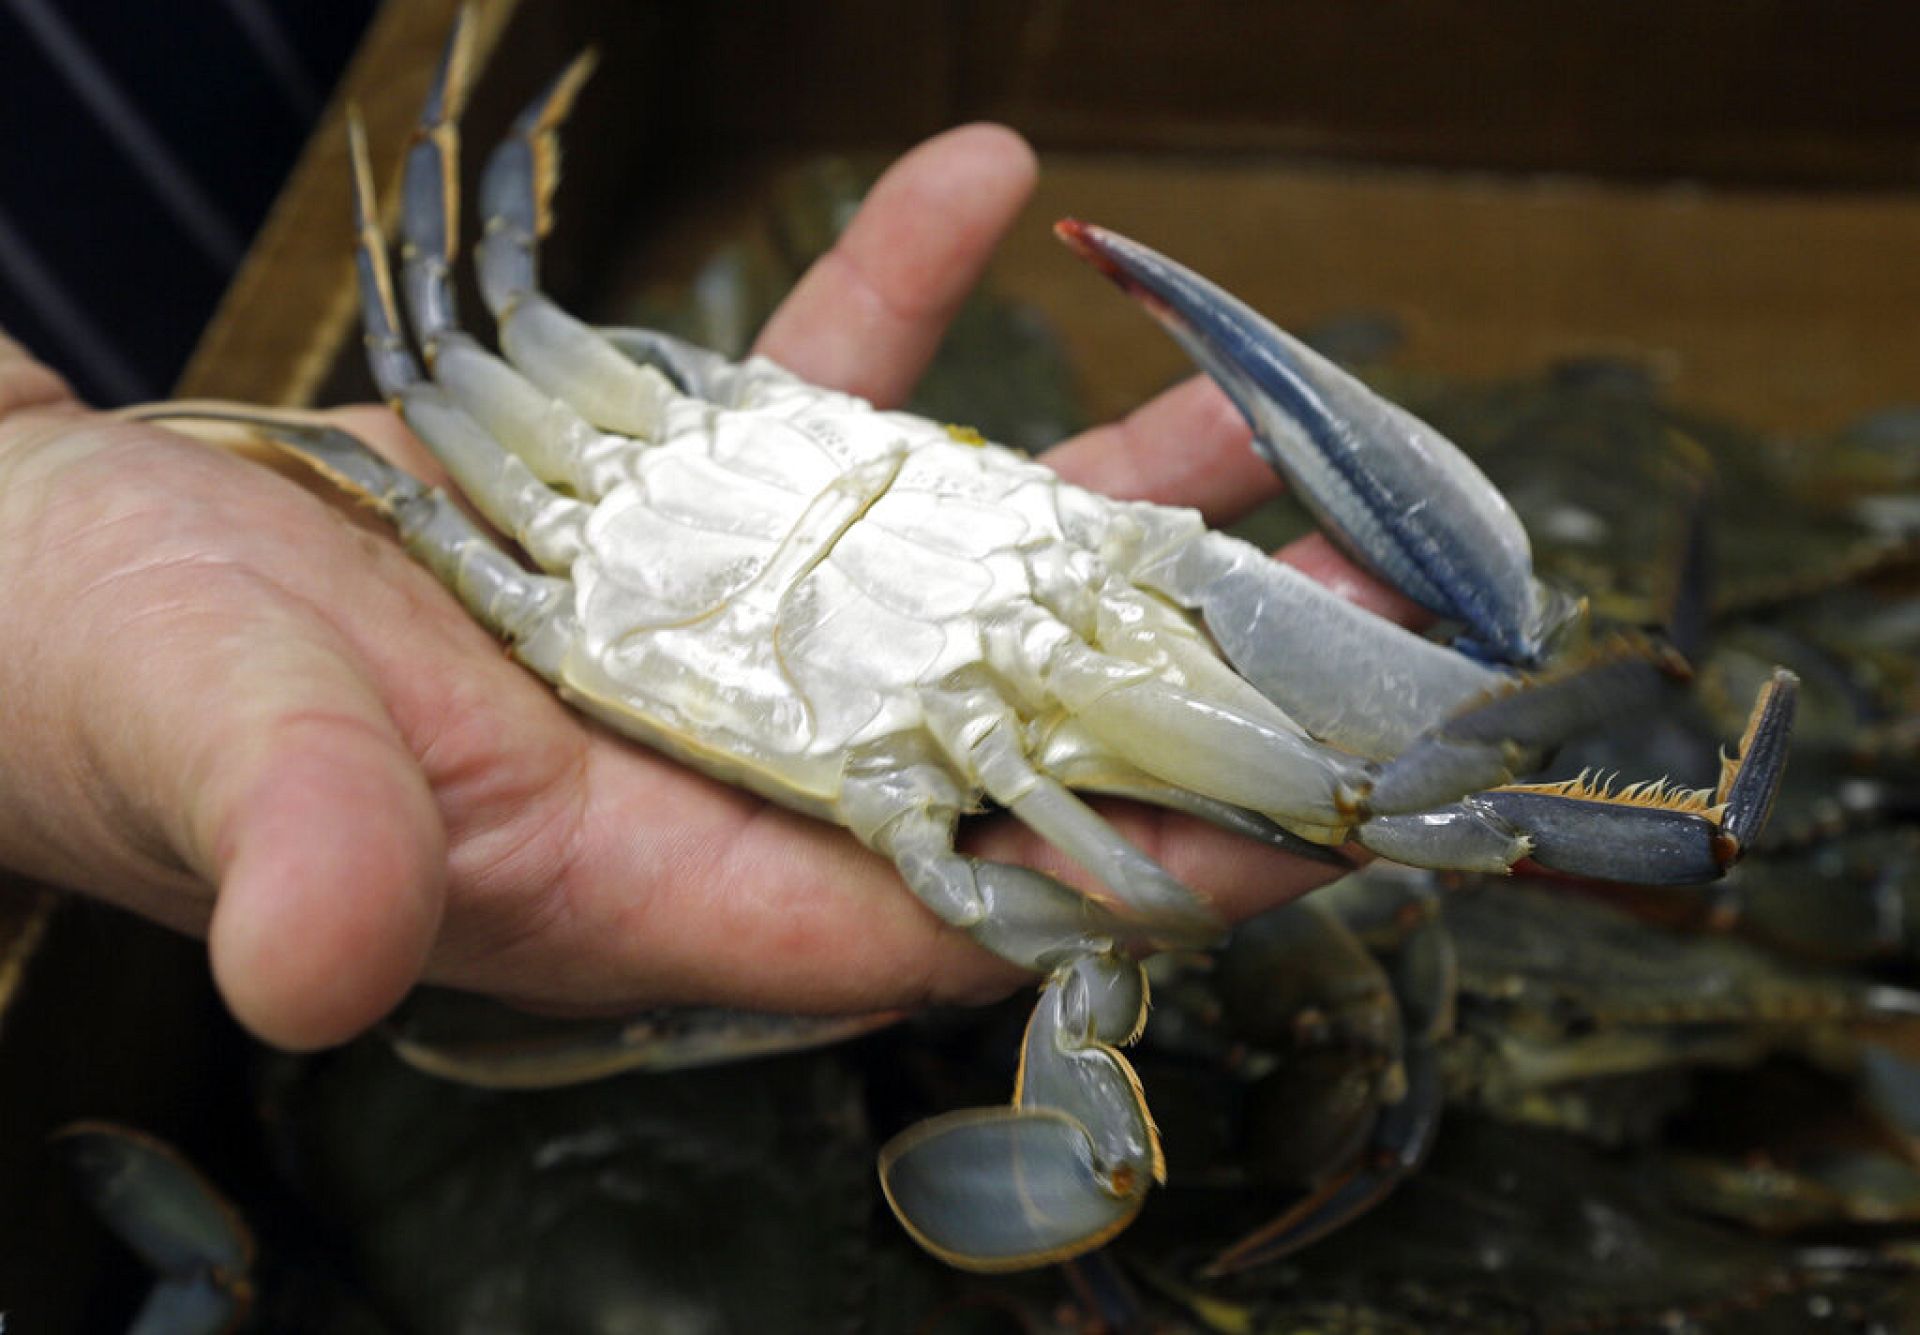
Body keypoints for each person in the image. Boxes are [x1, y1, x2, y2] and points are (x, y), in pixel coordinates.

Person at [0, 125, 1411, 1052]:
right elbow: (425, 339)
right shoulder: (570, 485)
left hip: (662, 534)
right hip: (652, 533)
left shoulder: (592, 476)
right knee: (432, 336)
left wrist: (27, 453)